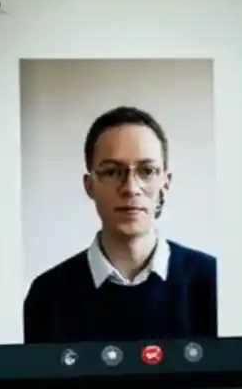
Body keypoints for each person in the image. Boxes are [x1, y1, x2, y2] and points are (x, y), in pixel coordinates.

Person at [23, 106, 217, 343]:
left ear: (165, 182)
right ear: (89, 185)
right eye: (112, 172)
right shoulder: (48, 294)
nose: (131, 188)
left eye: (147, 171)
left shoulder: (212, 281)